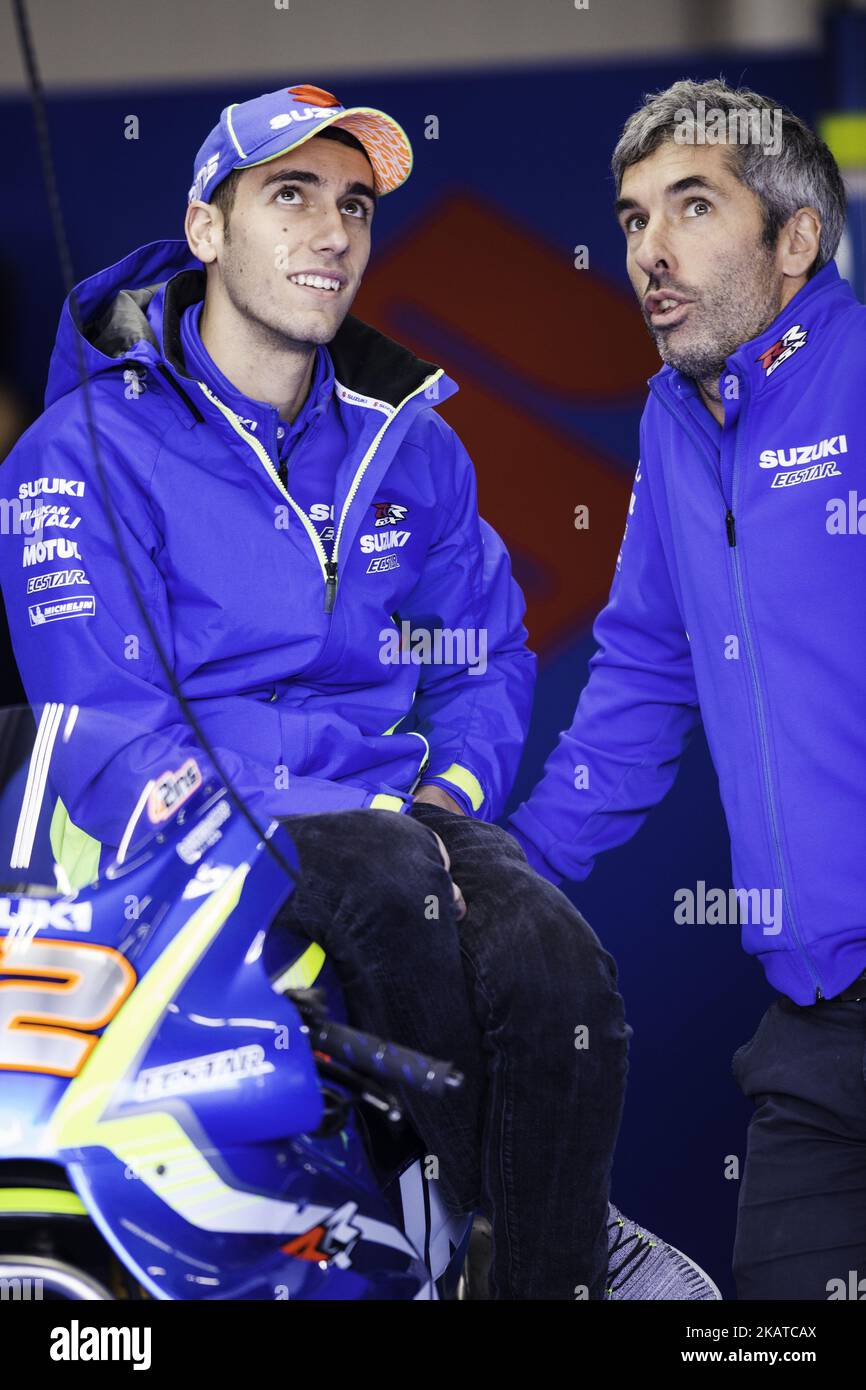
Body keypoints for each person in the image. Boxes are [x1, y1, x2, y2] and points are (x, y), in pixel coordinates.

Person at [0, 82, 714, 1300]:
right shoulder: (76, 454)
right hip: (163, 835)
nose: (330, 232)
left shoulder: (408, 441)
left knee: (557, 962)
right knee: (388, 879)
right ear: (207, 227)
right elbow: (103, 721)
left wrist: (447, 796)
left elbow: (484, 650)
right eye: (290, 196)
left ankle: (545, 1258)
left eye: (354, 206)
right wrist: (324, 828)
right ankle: (478, 1223)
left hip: (386, 818)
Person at [509, 77, 866, 1301]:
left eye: (691, 206)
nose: (648, 251)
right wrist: (507, 874)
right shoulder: (674, 420)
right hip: (811, 1026)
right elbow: (643, 671)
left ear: (794, 239)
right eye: (630, 218)